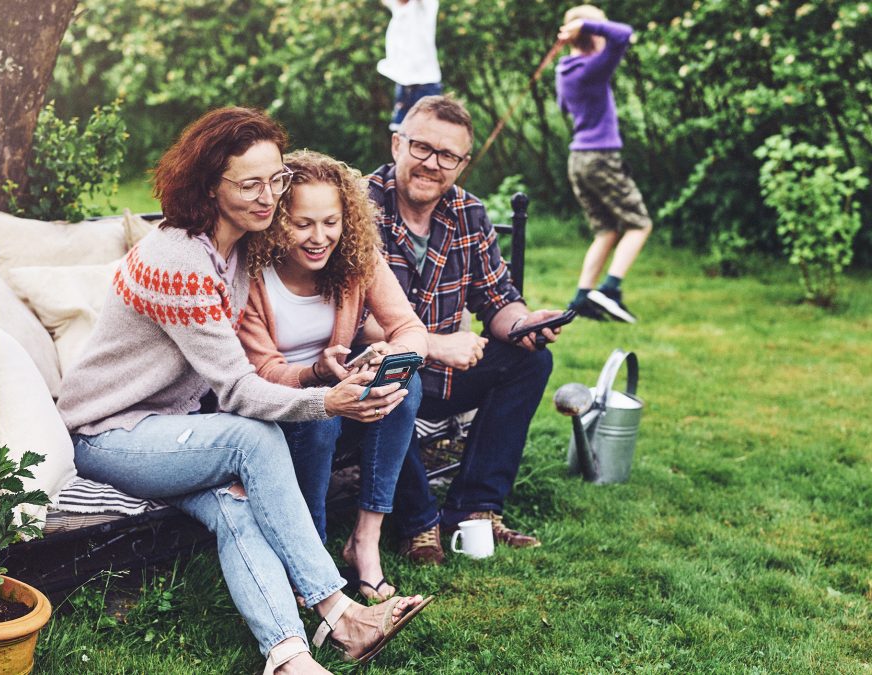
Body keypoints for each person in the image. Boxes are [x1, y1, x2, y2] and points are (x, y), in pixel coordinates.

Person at [56, 107, 432, 674]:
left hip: (174, 431)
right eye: (250, 184)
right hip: (111, 435)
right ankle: (338, 608)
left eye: (275, 179)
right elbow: (235, 390)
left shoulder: (237, 249)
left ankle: (289, 658)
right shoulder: (179, 260)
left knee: (238, 510)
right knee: (251, 440)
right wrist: (328, 401)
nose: (268, 197)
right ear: (210, 187)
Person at [365, 95, 563, 565]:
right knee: (397, 373)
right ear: (397, 144)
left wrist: (523, 324)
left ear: (462, 163)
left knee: (531, 359)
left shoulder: (468, 213)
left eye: (448, 155)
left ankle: (475, 509)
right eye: (422, 148)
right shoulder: (356, 208)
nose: (433, 164)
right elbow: (347, 323)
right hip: (377, 374)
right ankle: (418, 524)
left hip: (450, 374)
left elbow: (495, 300)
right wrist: (430, 346)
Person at [239, 149, 429, 602]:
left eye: (331, 222)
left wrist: (386, 354)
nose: (319, 237)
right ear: (277, 217)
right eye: (302, 223)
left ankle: (365, 540)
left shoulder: (355, 259)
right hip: (270, 406)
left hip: (335, 388)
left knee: (405, 381)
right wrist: (313, 373)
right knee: (319, 418)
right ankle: (312, 555)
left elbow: (410, 329)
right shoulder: (249, 273)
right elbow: (260, 370)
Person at [555, 4, 652, 324]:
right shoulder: (592, 69)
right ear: (592, 34)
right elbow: (623, 36)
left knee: (606, 230)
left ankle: (582, 297)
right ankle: (610, 290)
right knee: (639, 224)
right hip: (600, 156)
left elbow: (563, 106)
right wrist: (590, 26)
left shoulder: (565, 69)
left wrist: (583, 29)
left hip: (578, 159)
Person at [378, 0, 443, 131]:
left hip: (426, 84)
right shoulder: (399, 6)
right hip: (404, 84)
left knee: (426, 133)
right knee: (401, 133)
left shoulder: (426, 5)